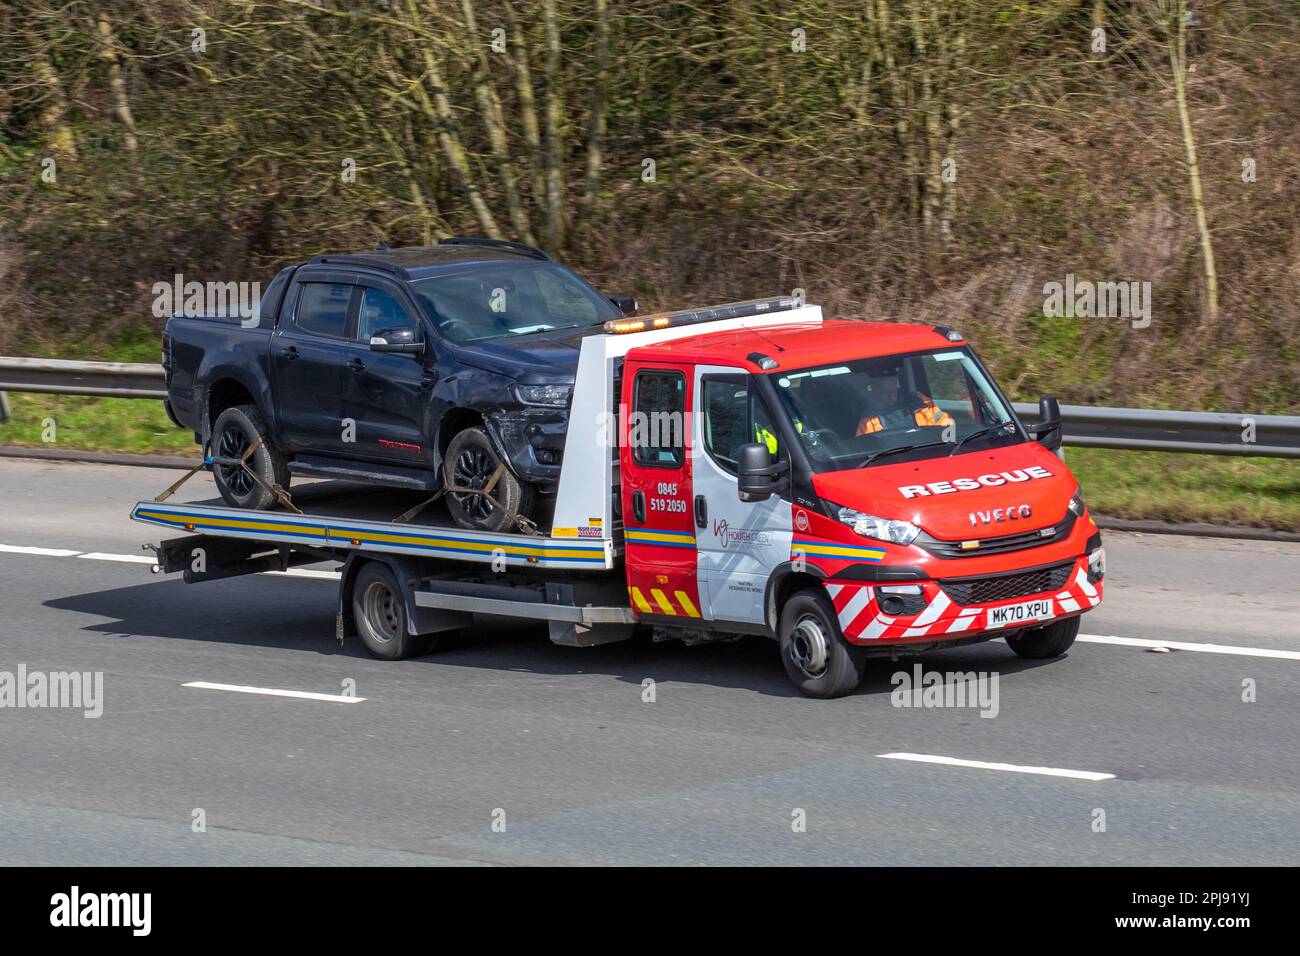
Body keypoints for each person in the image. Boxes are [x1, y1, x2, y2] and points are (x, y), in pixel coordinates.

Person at [856, 363, 953, 436]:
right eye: (886, 393)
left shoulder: (921, 404)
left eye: (893, 392)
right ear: (874, 391)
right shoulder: (868, 421)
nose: (891, 397)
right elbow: (868, 448)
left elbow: (947, 428)